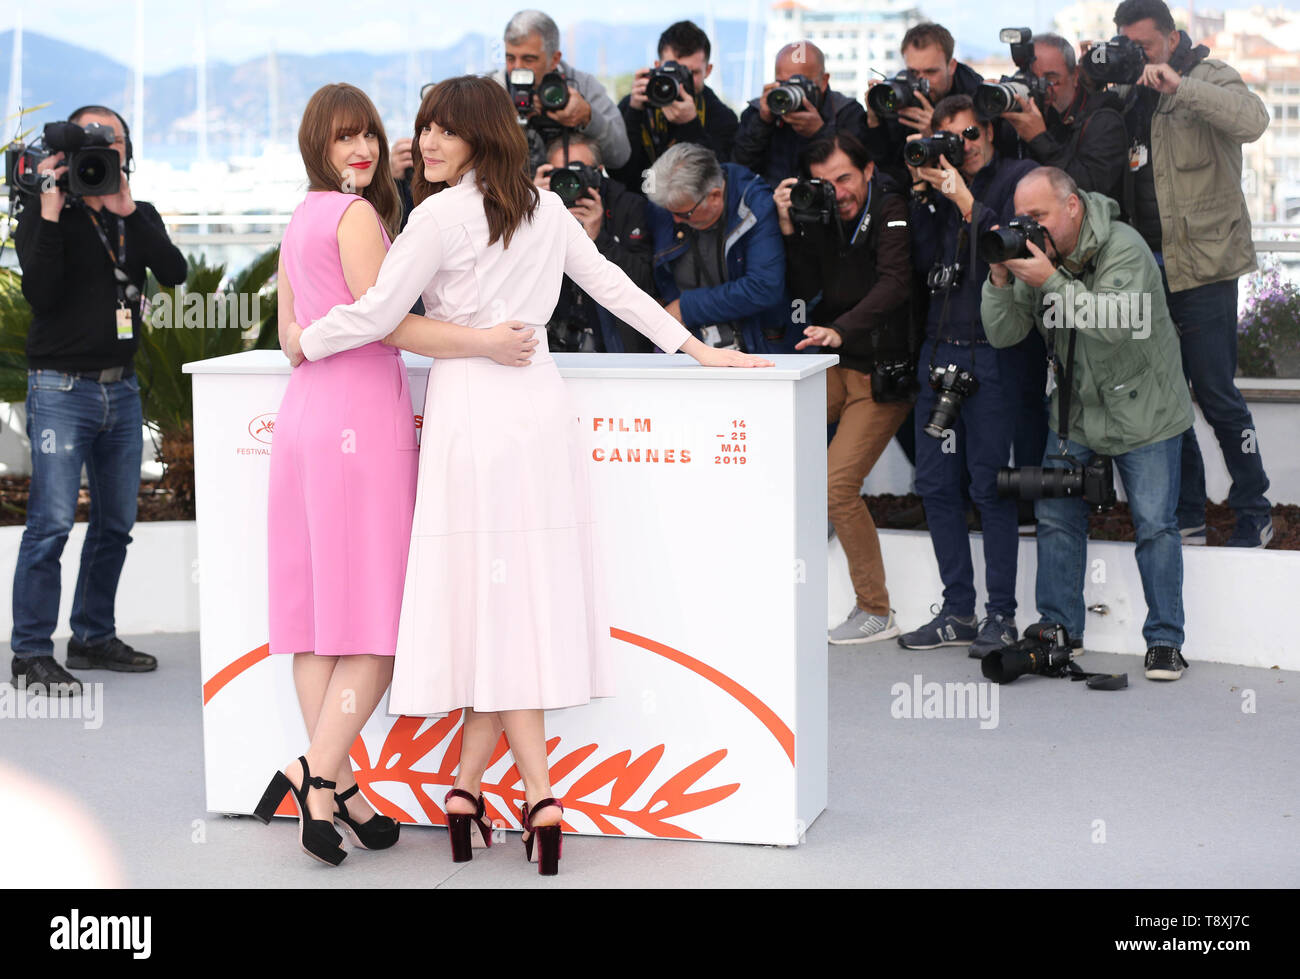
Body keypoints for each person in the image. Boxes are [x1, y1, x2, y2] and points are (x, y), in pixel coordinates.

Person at [281, 76, 772, 875]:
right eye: (424, 130)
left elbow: (377, 317)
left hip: (473, 417)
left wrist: (306, 339)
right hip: (538, 409)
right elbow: (615, 288)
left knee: (485, 602)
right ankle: (493, 793)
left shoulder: (440, 216)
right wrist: (698, 348)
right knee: (519, 601)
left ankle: (475, 791)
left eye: (442, 131)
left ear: (478, 135)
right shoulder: (543, 208)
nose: (427, 144)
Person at [254, 83, 543, 866]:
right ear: (319, 143)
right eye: (345, 137)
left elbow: (291, 337)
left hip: (307, 416)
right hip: (358, 425)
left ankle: (334, 784)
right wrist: (483, 342)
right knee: (379, 625)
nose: (362, 150)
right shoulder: (353, 217)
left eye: (371, 136)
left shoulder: (303, 215)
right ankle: (317, 777)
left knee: (318, 621)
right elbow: (388, 319)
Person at [982, 167, 1194, 680]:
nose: (1029, 228)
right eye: (1022, 218)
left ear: (1072, 207)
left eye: (1038, 217)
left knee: (1155, 527)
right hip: (1075, 414)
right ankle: (1059, 631)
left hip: (1145, 411)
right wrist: (1001, 277)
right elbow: (1004, 334)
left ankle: (1165, 641)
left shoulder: (1125, 247)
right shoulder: (1041, 260)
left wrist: (1051, 281)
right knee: (1055, 516)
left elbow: (1118, 323)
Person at [9, 104, 186, 696]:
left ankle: (92, 636)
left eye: (111, 139)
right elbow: (41, 291)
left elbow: (176, 271)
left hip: (123, 390)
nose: (101, 149)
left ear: (124, 152)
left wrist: (129, 211)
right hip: (60, 389)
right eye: (91, 138)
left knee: (116, 524)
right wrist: (53, 212)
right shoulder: (45, 212)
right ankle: (31, 652)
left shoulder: (134, 214)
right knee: (51, 525)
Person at [1111, 0, 1273, 547]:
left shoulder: (1207, 74)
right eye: (1130, 46)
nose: (1141, 56)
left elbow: (1253, 120)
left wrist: (1179, 84)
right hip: (1147, 274)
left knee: (1215, 393)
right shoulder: (1129, 95)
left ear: (1172, 38)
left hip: (1204, 268)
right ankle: (1189, 510)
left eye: (1146, 46)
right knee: (1165, 395)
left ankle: (1254, 505)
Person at [897, 94, 1038, 658]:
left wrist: (966, 202)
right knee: (934, 484)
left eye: (970, 136)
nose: (962, 148)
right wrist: (920, 195)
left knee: (990, 488)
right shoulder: (929, 196)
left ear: (990, 135)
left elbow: (1010, 250)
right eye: (949, 138)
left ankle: (999, 616)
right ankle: (957, 610)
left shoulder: (1015, 181)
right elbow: (911, 267)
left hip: (993, 357)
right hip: (938, 353)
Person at [776, 131, 914, 643]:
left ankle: (876, 610)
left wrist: (842, 328)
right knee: (775, 437)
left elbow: (896, 283)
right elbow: (806, 285)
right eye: (824, 183)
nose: (837, 191)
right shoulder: (824, 213)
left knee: (836, 487)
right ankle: (786, 561)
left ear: (869, 170)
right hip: (837, 365)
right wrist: (793, 225)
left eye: (844, 178)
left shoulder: (893, 208)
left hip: (882, 376)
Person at [643, 143, 791, 353]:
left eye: (684, 214)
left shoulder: (755, 205)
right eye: (669, 211)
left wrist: (686, 308)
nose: (675, 220)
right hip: (687, 348)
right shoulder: (667, 202)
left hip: (756, 346)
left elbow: (764, 287)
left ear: (714, 196)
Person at [534, 134, 656, 353]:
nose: (569, 182)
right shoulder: (536, 205)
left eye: (577, 172)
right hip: (550, 334)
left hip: (614, 339)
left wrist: (599, 238)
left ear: (599, 172)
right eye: (560, 173)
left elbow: (645, 282)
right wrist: (532, 211)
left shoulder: (628, 206)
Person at [864, 22, 1015, 187]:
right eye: (913, 72)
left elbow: (984, 162)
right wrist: (874, 122)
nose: (922, 81)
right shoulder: (900, 90)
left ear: (951, 66)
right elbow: (884, 168)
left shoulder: (973, 94)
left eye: (931, 72)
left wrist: (937, 133)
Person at [610, 20, 738, 194]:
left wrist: (691, 125)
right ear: (657, 66)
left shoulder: (721, 115)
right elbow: (619, 174)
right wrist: (633, 113)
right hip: (639, 207)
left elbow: (720, 180)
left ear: (708, 70)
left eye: (691, 73)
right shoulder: (634, 104)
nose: (680, 81)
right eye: (672, 70)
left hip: (692, 209)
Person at [499, 9, 631, 174]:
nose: (517, 68)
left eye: (528, 59)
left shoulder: (583, 86)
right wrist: (507, 122)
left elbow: (620, 156)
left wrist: (588, 117)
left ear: (554, 59)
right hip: (510, 195)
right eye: (510, 58)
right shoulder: (493, 91)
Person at [999, 33, 1127, 202]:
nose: (1041, 88)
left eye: (1051, 79)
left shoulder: (1103, 120)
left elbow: (1091, 190)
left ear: (1075, 76)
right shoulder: (1021, 114)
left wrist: (1039, 139)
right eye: (1033, 79)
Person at [732, 41, 869, 189]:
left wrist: (820, 133)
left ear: (823, 81)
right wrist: (763, 122)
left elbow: (859, 173)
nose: (790, 92)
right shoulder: (758, 111)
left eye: (800, 84)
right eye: (784, 83)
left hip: (828, 203)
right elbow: (738, 170)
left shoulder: (846, 112)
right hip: (771, 204)